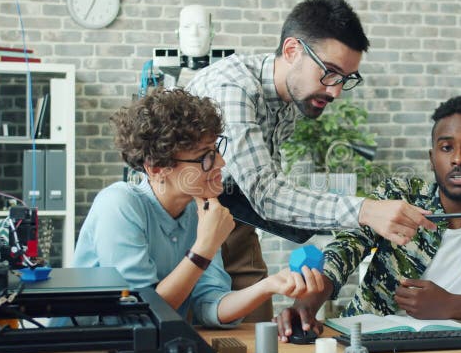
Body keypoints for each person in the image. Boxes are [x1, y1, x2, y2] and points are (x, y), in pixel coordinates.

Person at [186, 0, 438, 321]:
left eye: (345, 79)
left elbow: (258, 190)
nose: (335, 91)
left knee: (259, 330)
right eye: (330, 72)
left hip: (234, 219)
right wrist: (365, 209)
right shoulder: (232, 90)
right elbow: (267, 194)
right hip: (186, 221)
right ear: (292, 50)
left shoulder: (290, 103)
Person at [73, 88, 324, 328]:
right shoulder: (118, 205)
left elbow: (209, 304)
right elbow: (140, 315)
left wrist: (268, 286)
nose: (221, 162)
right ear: (157, 168)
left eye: (216, 150)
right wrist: (204, 246)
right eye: (205, 156)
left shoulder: (199, 214)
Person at [275, 94, 461, 340]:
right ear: (431, 159)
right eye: (446, 147)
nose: (458, 159)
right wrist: (306, 305)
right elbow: (345, 248)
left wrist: (454, 305)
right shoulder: (400, 196)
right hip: (371, 344)